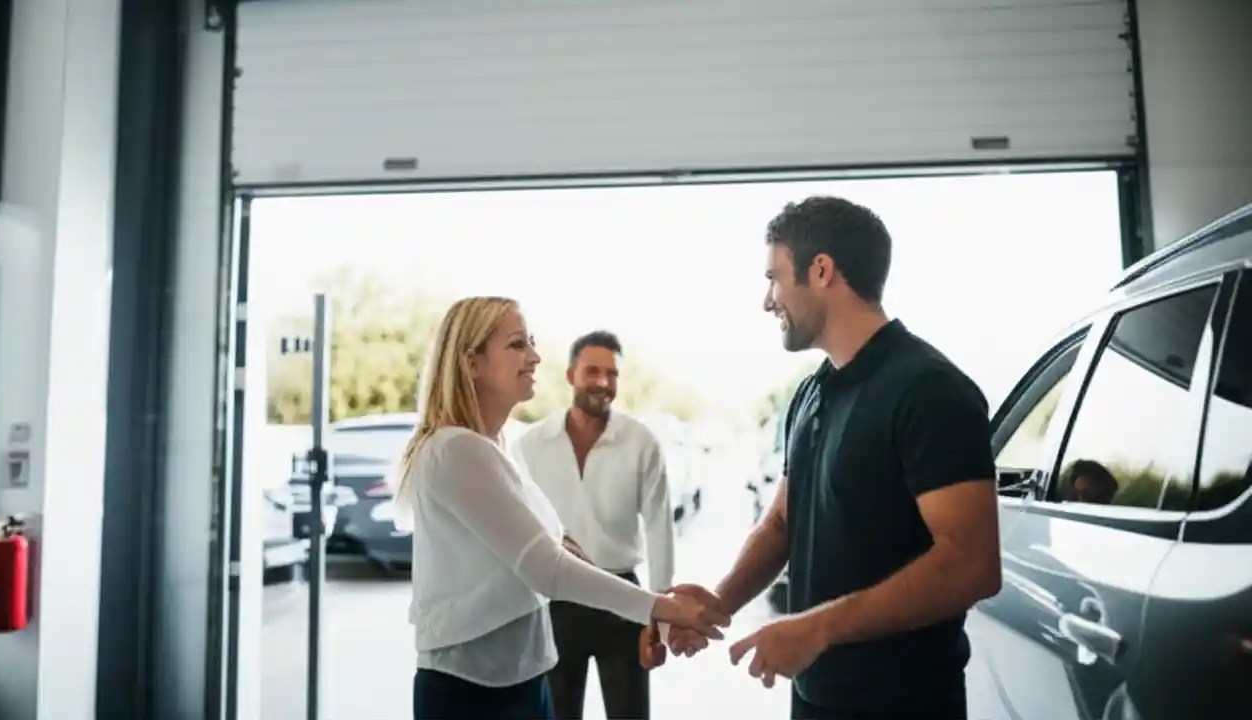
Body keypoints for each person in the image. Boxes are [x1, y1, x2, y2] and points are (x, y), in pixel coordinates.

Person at [641, 197, 1002, 719]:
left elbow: (972, 565)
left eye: (774, 279)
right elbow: (785, 522)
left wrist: (818, 626)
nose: (768, 301)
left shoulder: (930, 390)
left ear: (822, 270)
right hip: (816, 696)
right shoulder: (810, 394)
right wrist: (720, 604)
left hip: (906, 704)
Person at [394, 296, 729, 720]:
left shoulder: (494, 447)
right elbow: (546, 568)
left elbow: (563, 548)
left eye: (531, 342)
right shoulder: (456, 450)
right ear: (471, 363)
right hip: (474, 690)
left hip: (523, 677)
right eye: (517, 344)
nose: (535, 356)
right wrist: (663, 609)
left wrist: (658, 609)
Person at [514, 330, 675, 720]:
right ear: (571, 375)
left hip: (622, 602)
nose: (602, 383)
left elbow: (659, 531)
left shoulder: (641, 442)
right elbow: (519, 532)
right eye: (592, 371)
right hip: (556, 605)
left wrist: (659, 624)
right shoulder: (532, 445)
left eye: (611, 374)